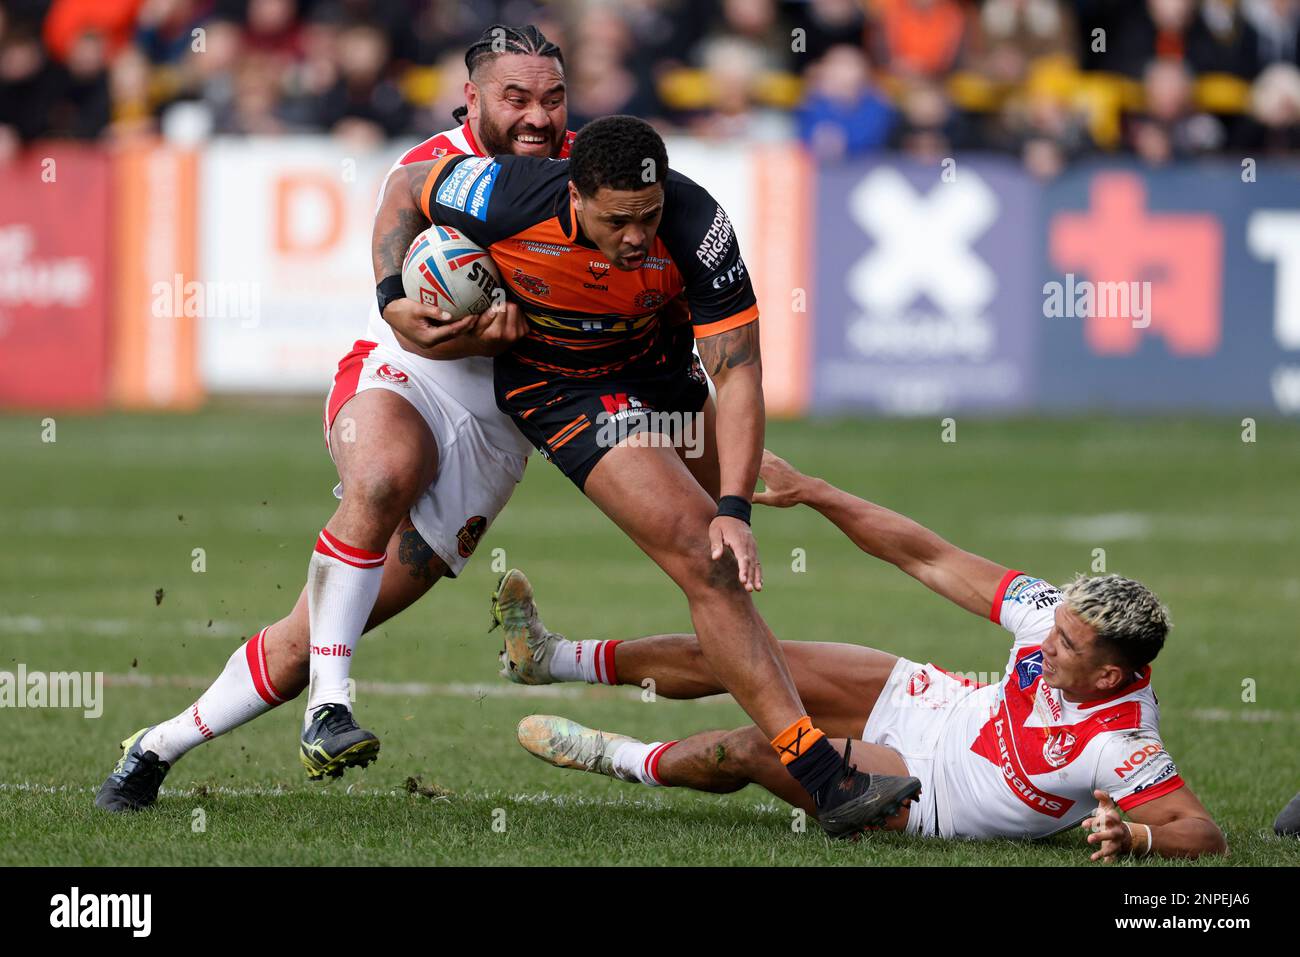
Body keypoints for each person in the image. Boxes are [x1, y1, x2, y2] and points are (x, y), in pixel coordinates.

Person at [372, 115, 922, 836]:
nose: (637, 235)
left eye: (649, 216)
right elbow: (404, 187)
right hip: (563, 388)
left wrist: (736, 504)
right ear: (574, 198)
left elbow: (740, 373)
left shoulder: (698, 225)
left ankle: (550, 656)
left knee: (749, 501)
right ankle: (823, 774)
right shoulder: (505, 193)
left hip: (661, 377)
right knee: (709, 560)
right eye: (617, 220)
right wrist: (392, 300)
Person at [95, 24, 572, 811]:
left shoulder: (586, 176)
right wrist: (420, 316)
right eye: (514, 97)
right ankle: (331, 706)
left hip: (496, 439)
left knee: (304, 638)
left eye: (552, 99)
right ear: (472, 97)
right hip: (406, 375)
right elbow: (402, 305)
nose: (536, 116)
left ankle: (153, 747)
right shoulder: (430, 171)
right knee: (384, 473)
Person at [503, 450, 1229, 857]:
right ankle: (550, 655)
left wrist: (1134, 834)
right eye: (1056, 623)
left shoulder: (1122, 740)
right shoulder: (1049, 617)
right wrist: (815, 491)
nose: (1047, 638)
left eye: (1066, 643)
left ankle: (619, 756)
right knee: (751, 653)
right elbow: (926, 554)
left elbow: (1204, 835)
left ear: (1109, 674)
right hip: (939, 702)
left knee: (759, 746)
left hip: (938, 792)